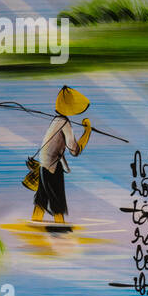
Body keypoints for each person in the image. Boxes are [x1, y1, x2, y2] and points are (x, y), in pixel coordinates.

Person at [31, 86, 93, 224]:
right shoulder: (65, 123)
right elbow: (74, 150)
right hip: (52, 167)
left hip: (44, 165)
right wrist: (87, 131)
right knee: (56, 200)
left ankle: (35, 222)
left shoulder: (56, 120)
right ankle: (60, 226)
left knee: (42, 199)